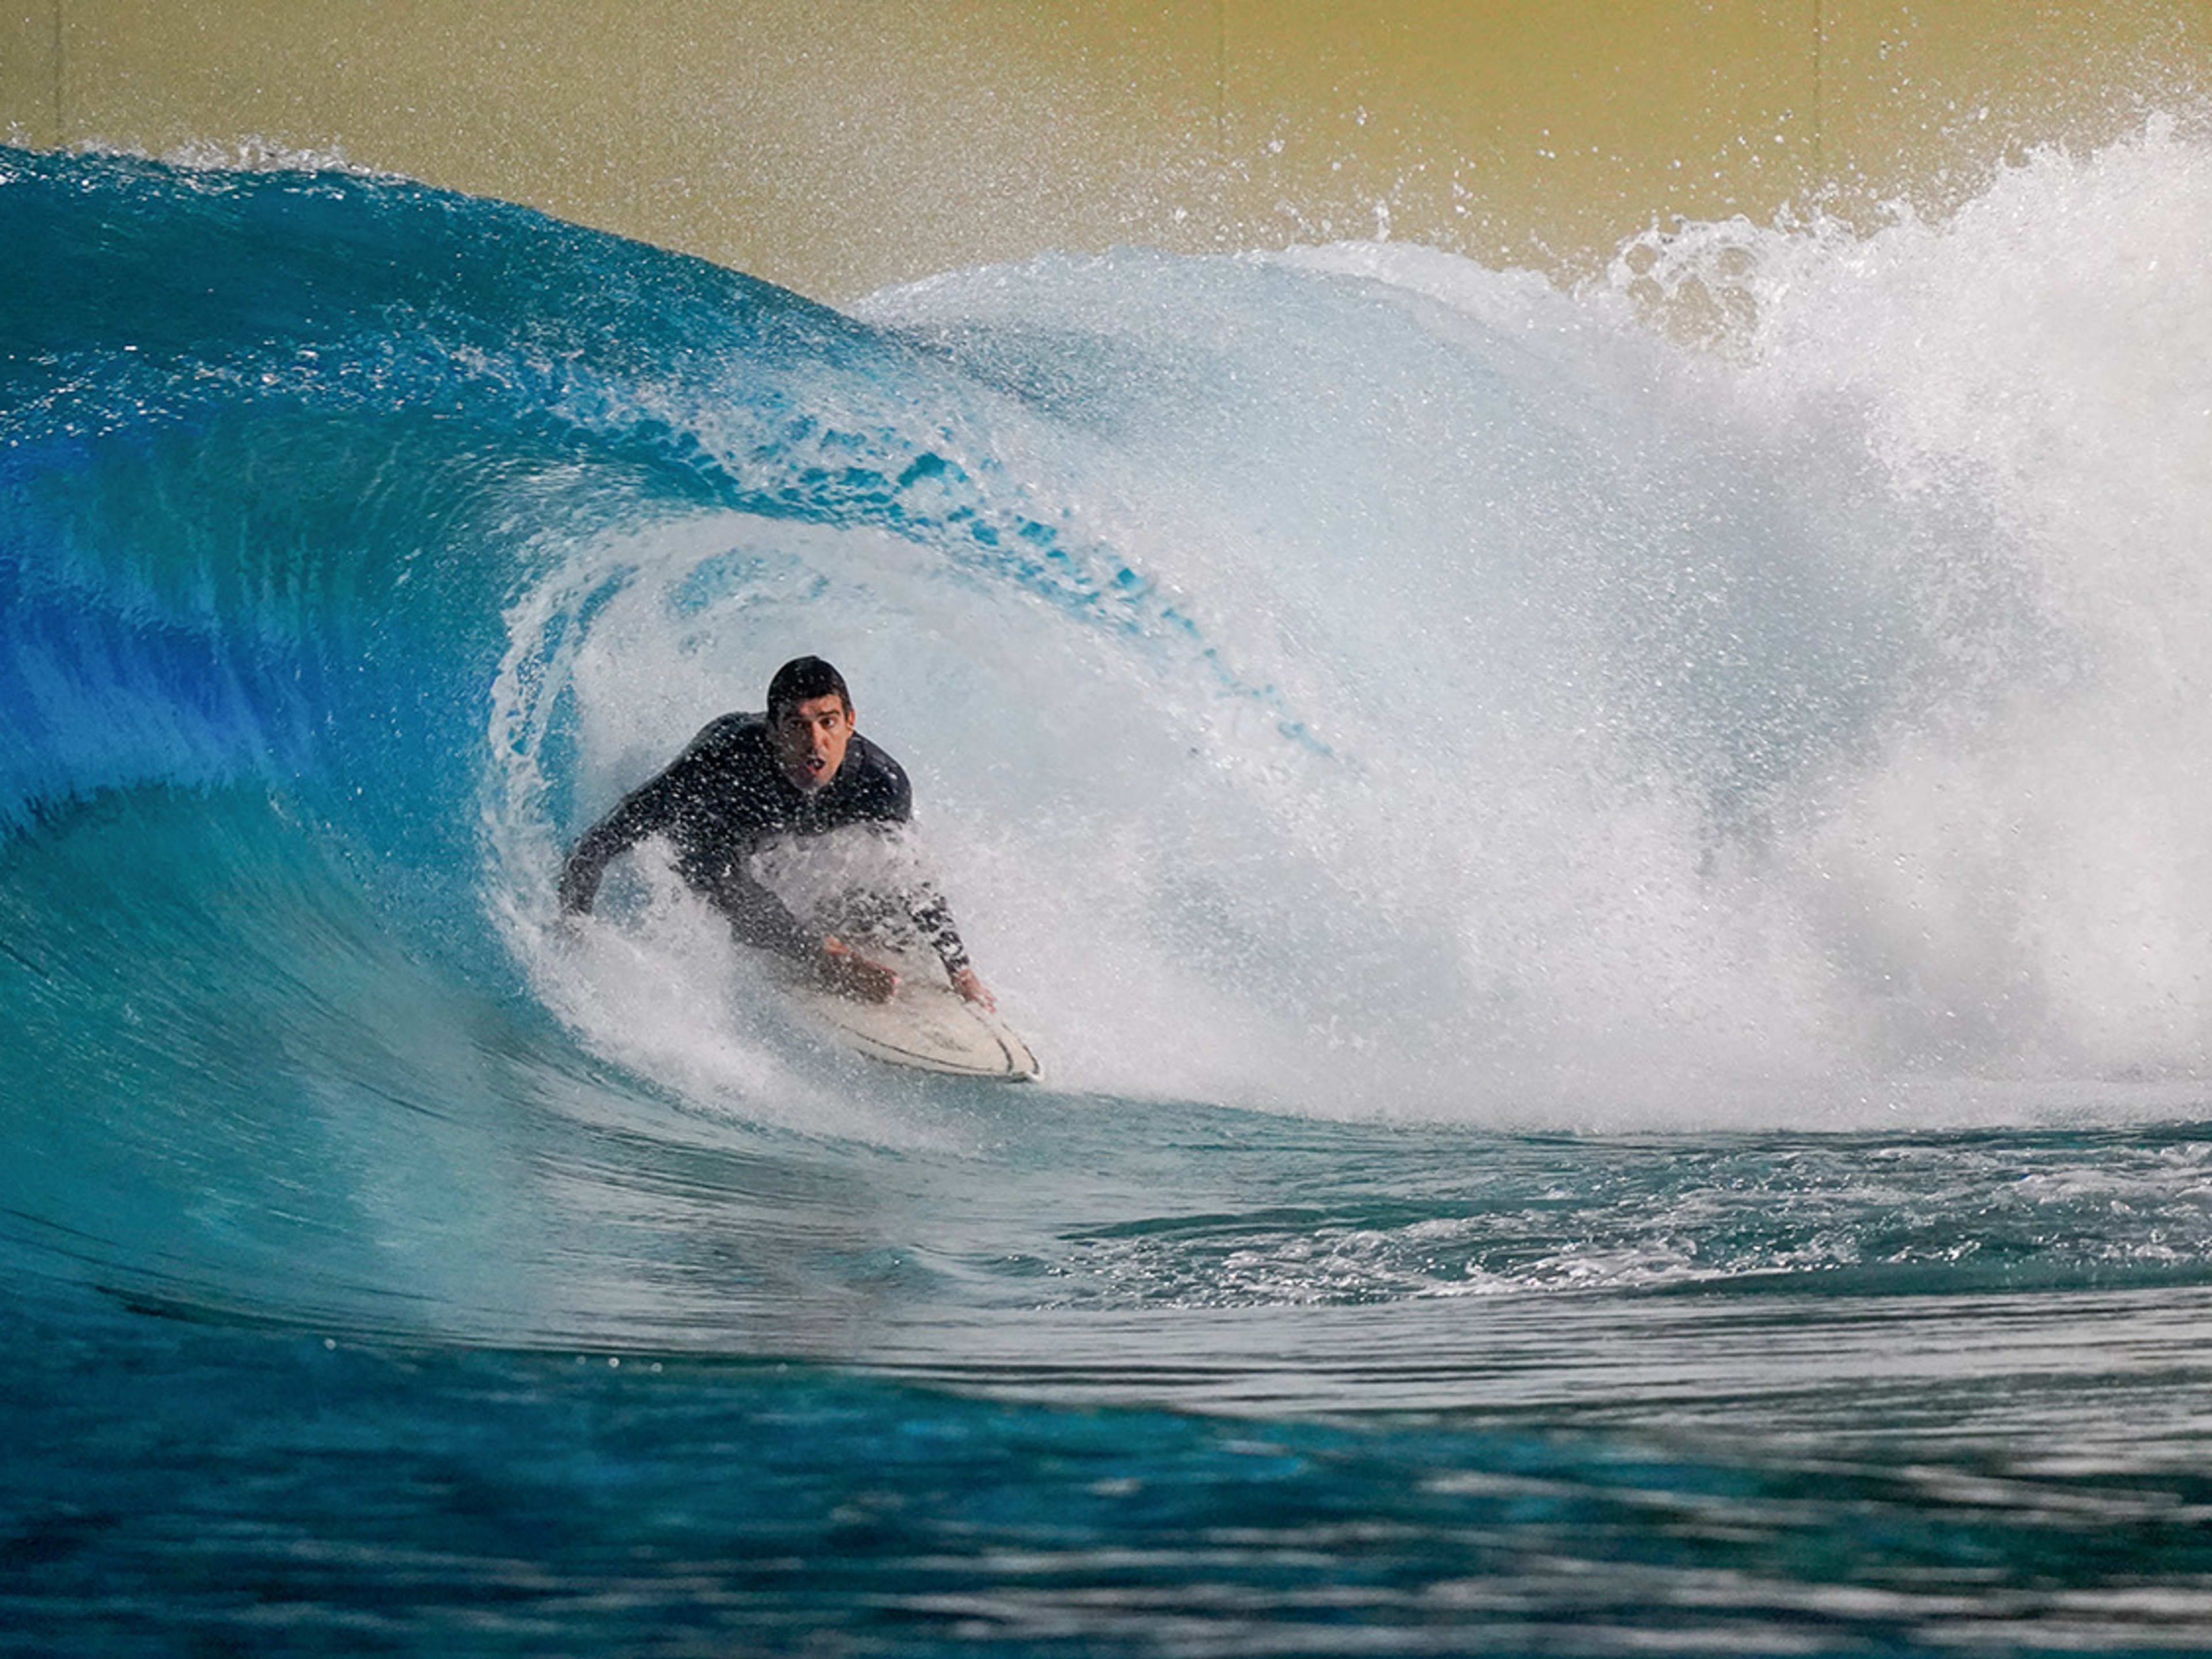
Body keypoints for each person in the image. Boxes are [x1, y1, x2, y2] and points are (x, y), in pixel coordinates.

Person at [557, 656, 992, 1007]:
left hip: (784, 827)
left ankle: (851, 948)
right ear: (772, 730)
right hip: (721, 828)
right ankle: (825, 957)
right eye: (797, 726)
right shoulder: (722, 764)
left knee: (884, 901)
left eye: (828, 722)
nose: (816, 742)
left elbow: (909, 876)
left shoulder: (880, 782)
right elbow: (602, 841)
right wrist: (574, 926)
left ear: (851, 721)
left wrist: (961, 970)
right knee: (718, 880)